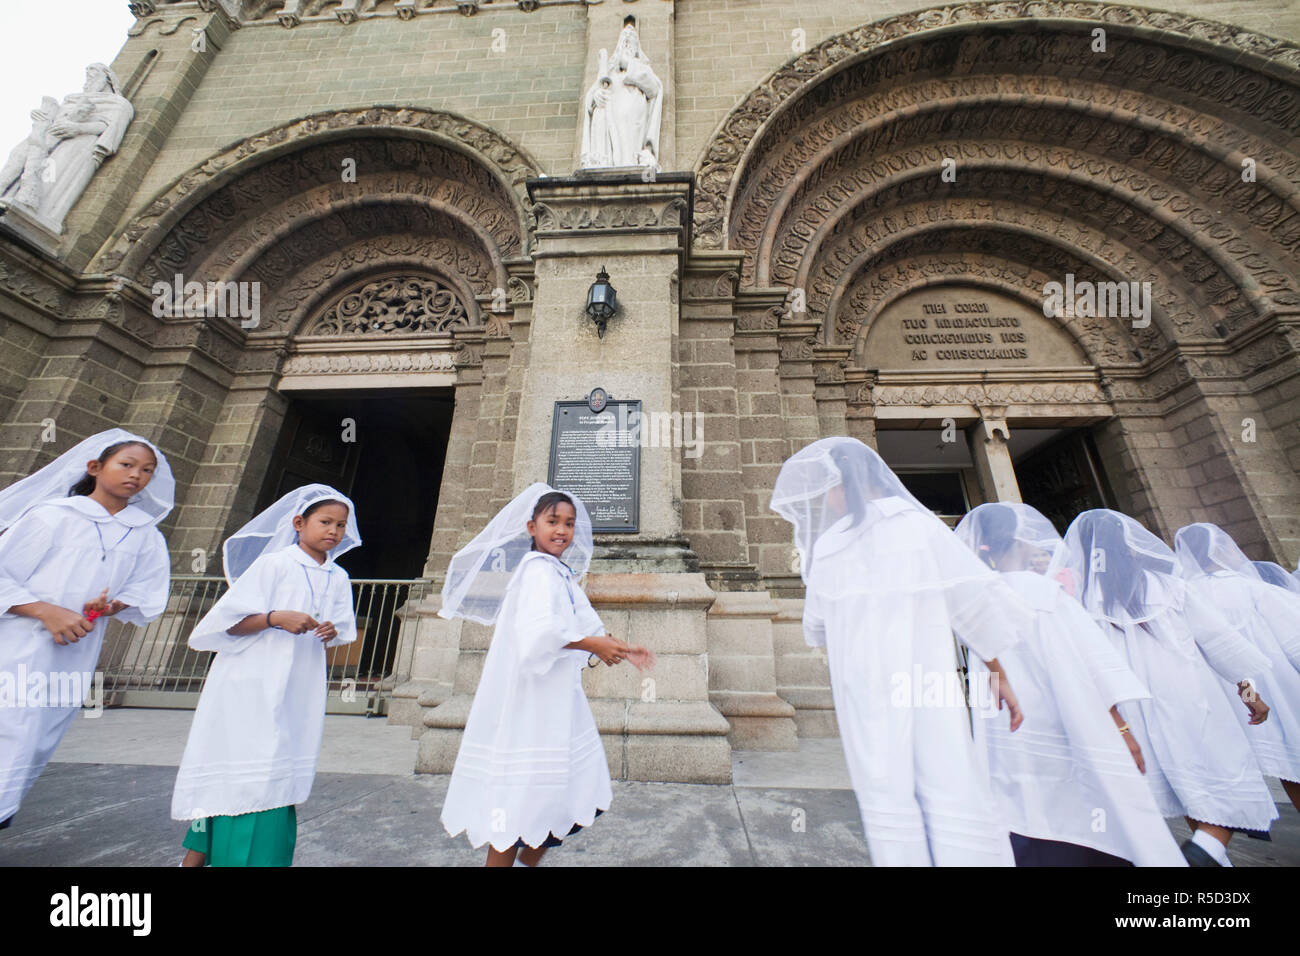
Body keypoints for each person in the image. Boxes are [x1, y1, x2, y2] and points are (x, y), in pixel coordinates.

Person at [770, 437, 1032, 866]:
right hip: (926, 679)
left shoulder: (830, 546)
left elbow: (815, 628)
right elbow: (974, 606)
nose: (828, 501)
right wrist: (998, 670)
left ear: (841, 486)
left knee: (884, 786)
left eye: (830, 490)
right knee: (947, 777)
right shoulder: (921, 526)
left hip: (865, 686)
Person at [955, 503, 1185, 866]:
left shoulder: (977, 600)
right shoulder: (1045, 594)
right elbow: (1091, 666)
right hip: (1065, 724)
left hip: (1009, 732)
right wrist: (1121, 727)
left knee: (1023, 814)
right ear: (1019, 542)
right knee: (1087, 810)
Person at [439, 483, 654, 866]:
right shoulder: (536, 573)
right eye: (552, 521)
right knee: (518, 806)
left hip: (554, 703)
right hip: (532, 705)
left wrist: (617, 647)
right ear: (531, 526)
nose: (562, 530)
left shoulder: (557, 574)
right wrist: (593, 646)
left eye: (569, 523)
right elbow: (540, 635)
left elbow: (581, 625)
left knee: (553, 804)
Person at [1051, 510, 1277, 866]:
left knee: (1189, 796)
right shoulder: (1169, 585)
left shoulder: (1076, 599)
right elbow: (1221, 645)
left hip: (1128, 708)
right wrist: (1252, 696)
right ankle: (1203, 854)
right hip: (1190, 701)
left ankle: (1205, 857)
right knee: (1219, 792)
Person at [171, 484, 360, 866]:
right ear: (298, 523)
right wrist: (275, 618)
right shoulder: (274, 564)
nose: (333, 532)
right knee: (246, 759)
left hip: (299, 681)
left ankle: (206, 853)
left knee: (279, 762)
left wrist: (329, 631)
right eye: (325, 522)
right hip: (252, 678)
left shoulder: (338, 576)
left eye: (341, 525)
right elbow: (228, 625)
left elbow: (341, 628)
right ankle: (214, 850)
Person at [0, 429, 173, 831]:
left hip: (76, 650)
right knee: (10, 723)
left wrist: (112, 606)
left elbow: (145, 589)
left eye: (147, 470)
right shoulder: (53, 516)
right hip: (18, 645)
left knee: (39, 734)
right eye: (126, 464)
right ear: (95, 467)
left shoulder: (144, 533)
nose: (137, 475)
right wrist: (45, 611)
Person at [1175, 523, 1300, 814]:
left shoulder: (1186, 595)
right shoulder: (1250, 587)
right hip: (1279, 683)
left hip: (1238, 691)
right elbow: (1293, 639)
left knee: (1285, 761)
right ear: (1219, 550)